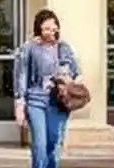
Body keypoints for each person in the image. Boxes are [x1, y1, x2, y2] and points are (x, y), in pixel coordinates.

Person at [13, 9, 81, 168]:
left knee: (54, 142)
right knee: (39, 144)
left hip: (57, 101)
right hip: (35, 100)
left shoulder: (63, 48)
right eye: (46, 29)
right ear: (39, 29)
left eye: (53, 28)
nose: (50, 32)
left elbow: (76, 72)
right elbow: (21, 75)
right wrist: (19, 103)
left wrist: (66, 78)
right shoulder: (29, 48)